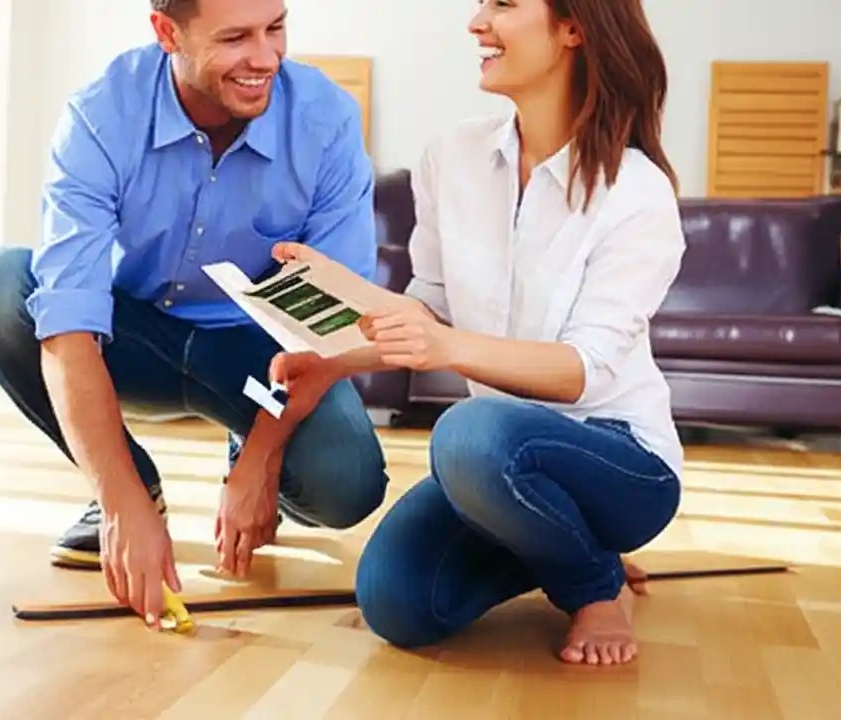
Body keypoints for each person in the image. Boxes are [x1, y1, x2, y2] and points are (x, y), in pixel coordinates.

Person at [269, 0, 684, 666]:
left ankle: (594, 585)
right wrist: (333, 357)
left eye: (504, 3)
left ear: (574, 27)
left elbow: (585, 371)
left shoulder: (637, 191)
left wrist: (448, 347)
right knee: (395, 602)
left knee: (468, 432)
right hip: (492, 465)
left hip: (620, 460)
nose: (477, 22)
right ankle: (563, 545)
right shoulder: (451, 157)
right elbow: (428, 308)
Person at [0, 0, 388, 630]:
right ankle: (138, 483)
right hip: (136, 339)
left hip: (261, 361)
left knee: (346, 484)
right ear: (167, 33)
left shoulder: (325, 120)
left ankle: (245, 438)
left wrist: (259, 459)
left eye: (275, 28)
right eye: (235, 38)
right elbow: (68, 323)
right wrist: (119, 500)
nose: (266, 58)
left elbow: (327, 330)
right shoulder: (102, 115)